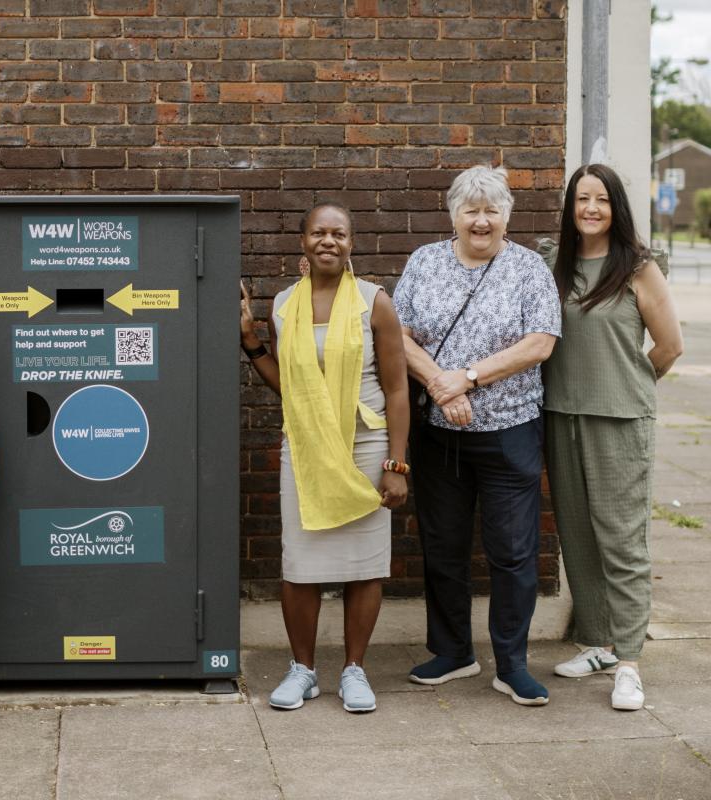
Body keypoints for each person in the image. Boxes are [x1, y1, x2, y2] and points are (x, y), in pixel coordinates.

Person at [394, 164, 561, 706]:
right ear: (454, 215)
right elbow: (396, 334)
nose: (482, 220)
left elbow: (540, 343)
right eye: (472, 209)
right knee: (443, 546)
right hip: (440, 434)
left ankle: (511, 664)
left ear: (507, 216)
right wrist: (443, 390)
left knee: (513, 552)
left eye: (492, 210)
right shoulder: (424, 263)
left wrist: (465, 377)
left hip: (511, 431)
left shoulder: (529, 269)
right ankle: (453, 651)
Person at [240, 203, 409, 714]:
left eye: (338, 233)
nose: (328, 241)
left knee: (365, 565)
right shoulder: (285, 304)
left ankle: (355, 670)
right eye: (319, 233)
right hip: (307, 449)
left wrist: (397, 464)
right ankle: (303, 671)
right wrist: (250, 342)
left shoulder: (373, 302)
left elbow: (398, 389)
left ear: (351, 243)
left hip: (366, 445)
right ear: (303, 241)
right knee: (300, 562)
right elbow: (291, 389)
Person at [540, 164, 682, 711]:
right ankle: (598, 644)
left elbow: (667, 348)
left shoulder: (638, 269)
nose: (591, 209)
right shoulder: (558, 263)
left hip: (619, 420)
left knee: (622, 542)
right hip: (560, 415)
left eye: (601, 199)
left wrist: (625, 384)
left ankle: (629, 663)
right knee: (576, 535)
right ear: (571, 208)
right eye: (582, 200)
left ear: (616, 206)